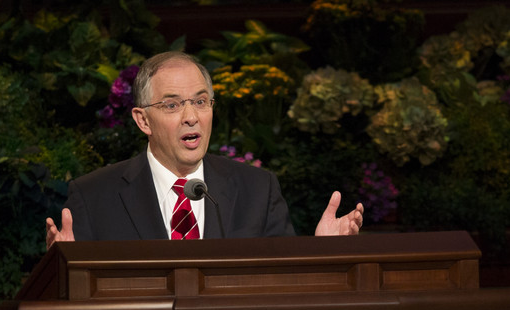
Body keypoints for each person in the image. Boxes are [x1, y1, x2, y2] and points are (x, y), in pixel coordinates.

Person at [46, 51, 363, 248]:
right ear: (143, 120)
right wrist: (60, 267)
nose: (191, 117)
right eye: (172, 105)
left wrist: (323, 255)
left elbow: (284, 288)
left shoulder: (258, 190)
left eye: (200, 102)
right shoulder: (93, 197)